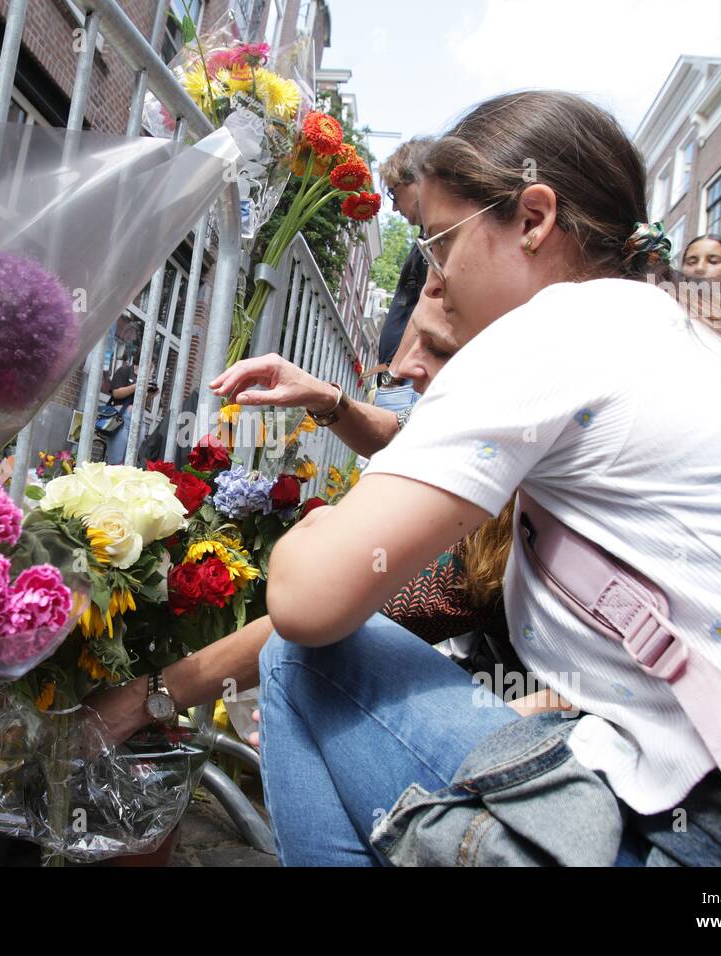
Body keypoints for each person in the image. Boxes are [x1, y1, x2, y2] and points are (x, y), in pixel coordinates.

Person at [258, 90, 721, 867]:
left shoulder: (554, 327)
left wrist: (314, 535)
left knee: (298, 659)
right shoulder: (705, 341)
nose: (435, 280)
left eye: (440, 245)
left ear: (533, 219)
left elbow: (307, 603)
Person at [82, 293, 518, 746]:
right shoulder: (498, 437)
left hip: (539, 744)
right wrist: (328, 399)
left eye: (439, 349)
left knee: (301, 694)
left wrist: (145, 699)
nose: (404, 367)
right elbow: (401, 435)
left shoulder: (487, 532)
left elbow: (313, 607)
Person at [370, 138, 432, 417]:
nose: (394, 208)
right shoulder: (428, 237)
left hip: (406, 383)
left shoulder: (438, 240)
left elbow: (428, 306)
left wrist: (393, 374)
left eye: (394, 194)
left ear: (419, 180)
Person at [102, 358, 157, 465]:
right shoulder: (125, 371)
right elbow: (116, 393)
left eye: (151, 369)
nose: (149, 371)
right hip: (121, 418)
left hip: (139, 419)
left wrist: (150, 394)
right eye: (149, 367)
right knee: (117, 459)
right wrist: (137, 386)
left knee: (131, 459)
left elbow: (141, 402)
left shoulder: (145, 379)